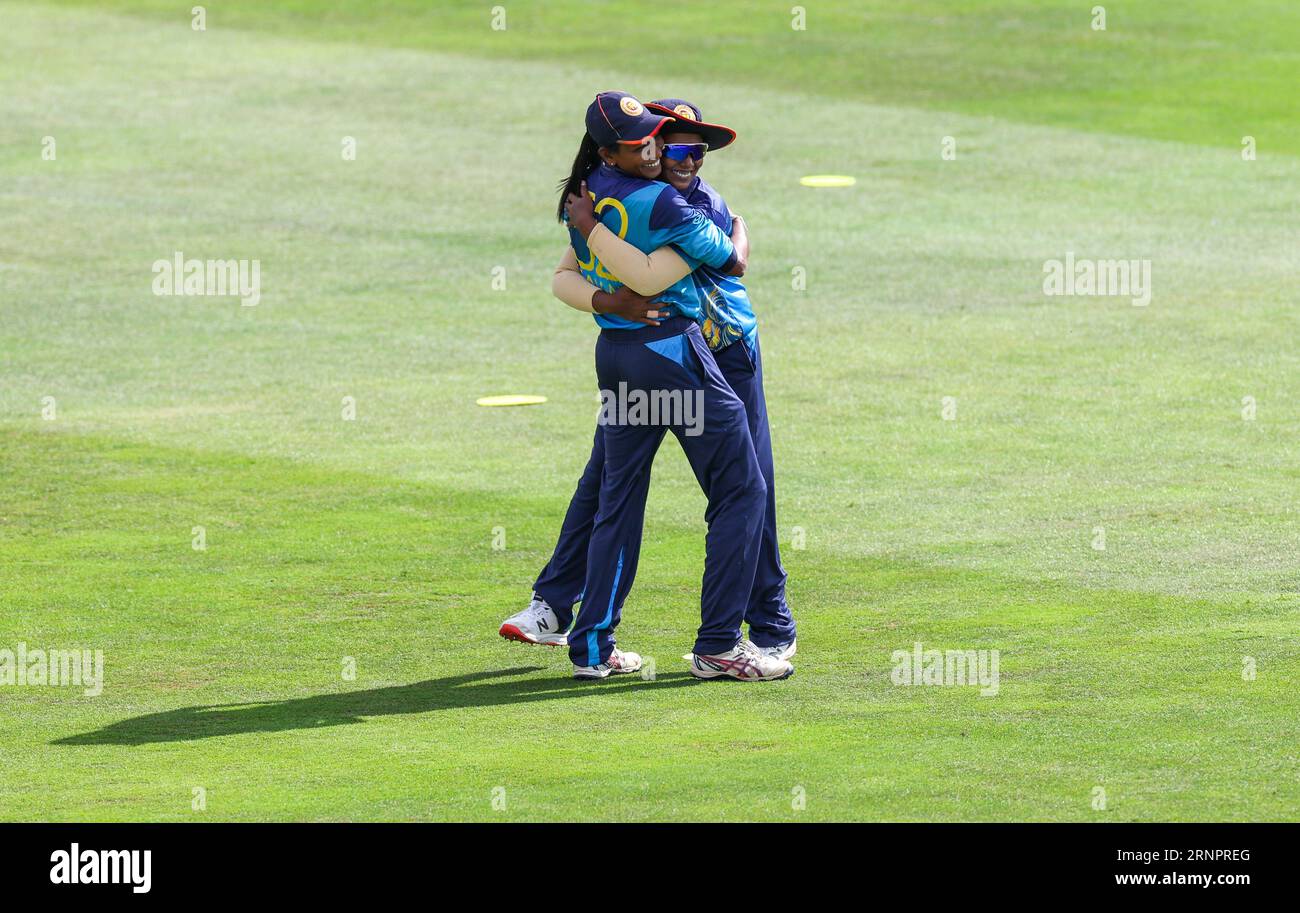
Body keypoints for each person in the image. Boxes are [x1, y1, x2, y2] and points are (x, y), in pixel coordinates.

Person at [499, 92, 794, 682]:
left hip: (630, 353)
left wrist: (599, 262)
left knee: (614, 493)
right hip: (679, 354)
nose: (673, 154)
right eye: (657, 142)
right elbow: (691, 268)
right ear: (616, 150)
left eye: (688, 147)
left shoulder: (593, 194)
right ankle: (722, 644)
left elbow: (574, 270)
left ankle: (587, 642)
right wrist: (738, 237)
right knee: (743, 490)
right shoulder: (670, 204)